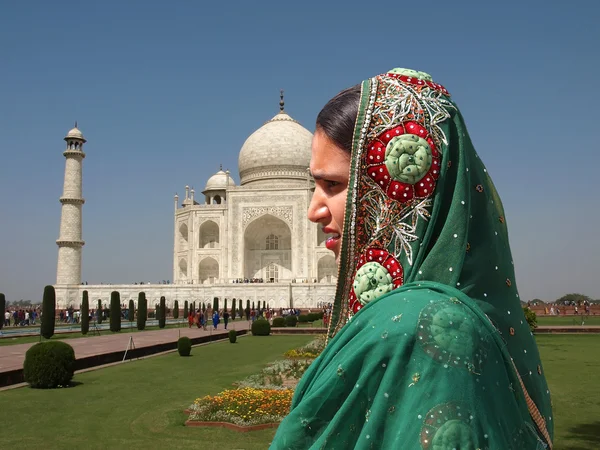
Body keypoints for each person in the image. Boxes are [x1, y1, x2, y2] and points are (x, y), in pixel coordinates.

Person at [270, 68, 553, 449]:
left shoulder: (416, 330)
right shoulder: (438, 319)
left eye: (333, 185)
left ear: (395, 189)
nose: (313, 210)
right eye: (314, 184)